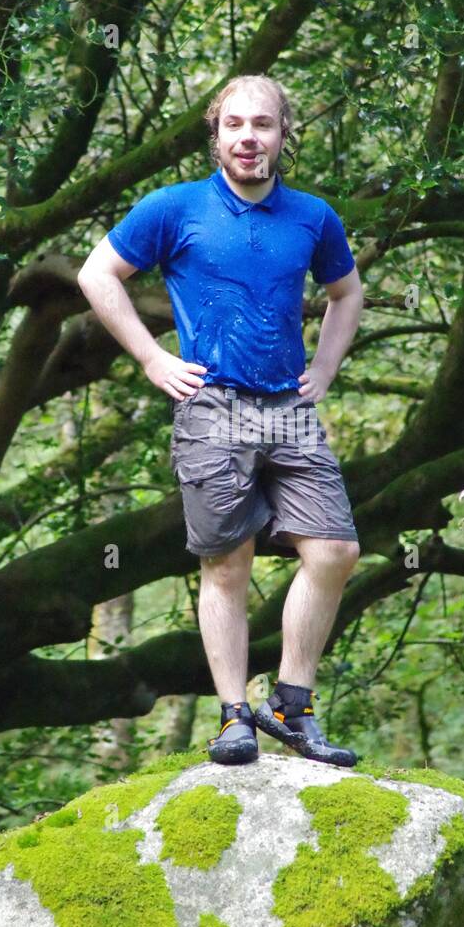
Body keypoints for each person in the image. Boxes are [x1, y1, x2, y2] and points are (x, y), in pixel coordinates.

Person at [78, 73, 364, 768]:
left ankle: (291, 709)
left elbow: (347, 292)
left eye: (262, 124)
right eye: (234, 124)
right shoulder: (175, 208)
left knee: (334, 551)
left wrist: (324, 369)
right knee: (227, 563)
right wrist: (152, 360)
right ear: (216, 134)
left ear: (282, 133)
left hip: (289, 409)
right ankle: (236, 716)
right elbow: (96, 274)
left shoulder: (313, 217)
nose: (248, 137)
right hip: (212, 407)